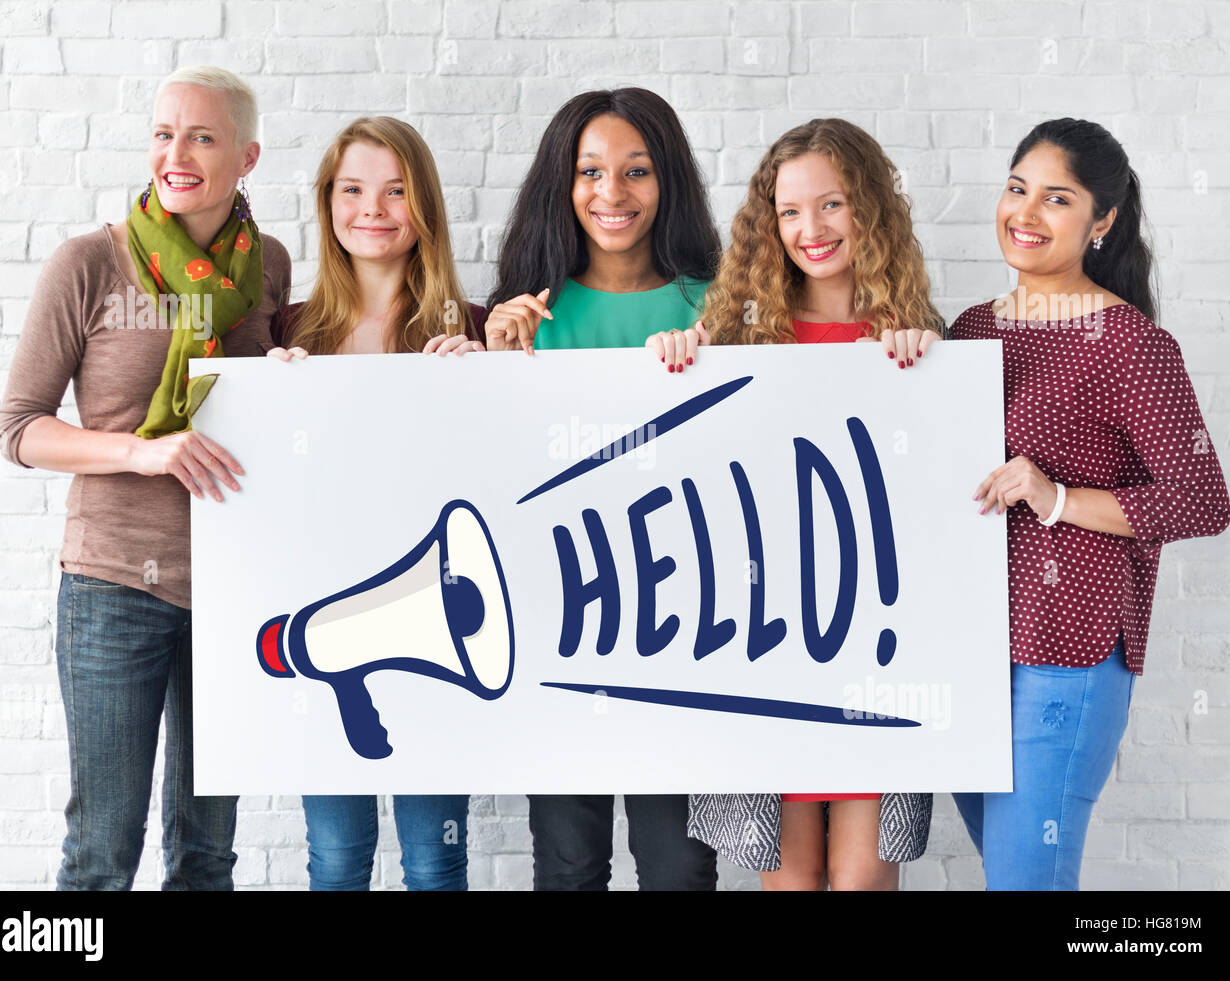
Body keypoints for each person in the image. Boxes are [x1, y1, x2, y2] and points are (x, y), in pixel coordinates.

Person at [0, 66, 291, 890]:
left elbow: (264, 412)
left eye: (201, 135)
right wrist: (142, 450)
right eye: (164, 133)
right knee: (101, 854)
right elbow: (20, 430)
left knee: (207, 856)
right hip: (114, 584)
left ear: (246, 155)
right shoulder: (90, 261)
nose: (177, 153)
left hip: (233, 589)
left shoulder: (267, 264)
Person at [950, 118, 1230, 889]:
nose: (1026, 213)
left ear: (1101, 222)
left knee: (1024, 879)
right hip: (966, 652)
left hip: (1064, 657)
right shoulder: (970, 330)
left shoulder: (1132, 345)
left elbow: (1202, 500)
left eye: (1057, 199)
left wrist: (1056, 496)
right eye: (1017, 189)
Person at [662, 119, 937, 890]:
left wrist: (922, 380)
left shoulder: (915, 343)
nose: (809, 230)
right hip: (767, 643)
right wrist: (676, 360)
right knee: (788, 881)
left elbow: (937, 498)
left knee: (861, 880)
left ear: (871, 209)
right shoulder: (735, 340)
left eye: (832, 205)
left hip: (875, 643)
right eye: (789, 211)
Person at [474, 87, 720, 890]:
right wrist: (490, 371)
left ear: (668, 180)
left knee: (680, 866)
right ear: (562, 182)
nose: (612, 194)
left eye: (636, 171)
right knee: (569, 864)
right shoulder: (524, 316)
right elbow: (489, 477)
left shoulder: (712, 307)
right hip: (559, 626)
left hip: (686, 632)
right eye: (590, 172)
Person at [266, 116, 484, 890]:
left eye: (396, 191)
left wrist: (490, 375)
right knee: (336, 861)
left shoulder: (474, 330)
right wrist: (271, 400)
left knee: (435, 859)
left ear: (424, 206)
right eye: (353, 190)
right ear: (328, 204)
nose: (374, 209)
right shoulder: (286, 333)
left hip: (430, 631)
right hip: (323, 593)